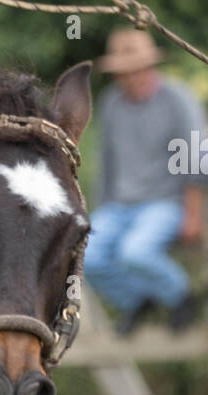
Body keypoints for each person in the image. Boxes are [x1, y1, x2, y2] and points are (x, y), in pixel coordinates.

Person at [84, 28, 206, 335]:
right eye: (124, 72)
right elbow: (107, 164)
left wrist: (193, 215)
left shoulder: (177, 98)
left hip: (165, 201)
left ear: (150, 66)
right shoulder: (112, 103)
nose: (131, 77)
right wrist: (100, 210)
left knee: (134, 252)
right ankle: (137, 301)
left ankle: (181, 297)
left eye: (136, 69)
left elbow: (196, 156)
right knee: (85, 256)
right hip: (118, 205)